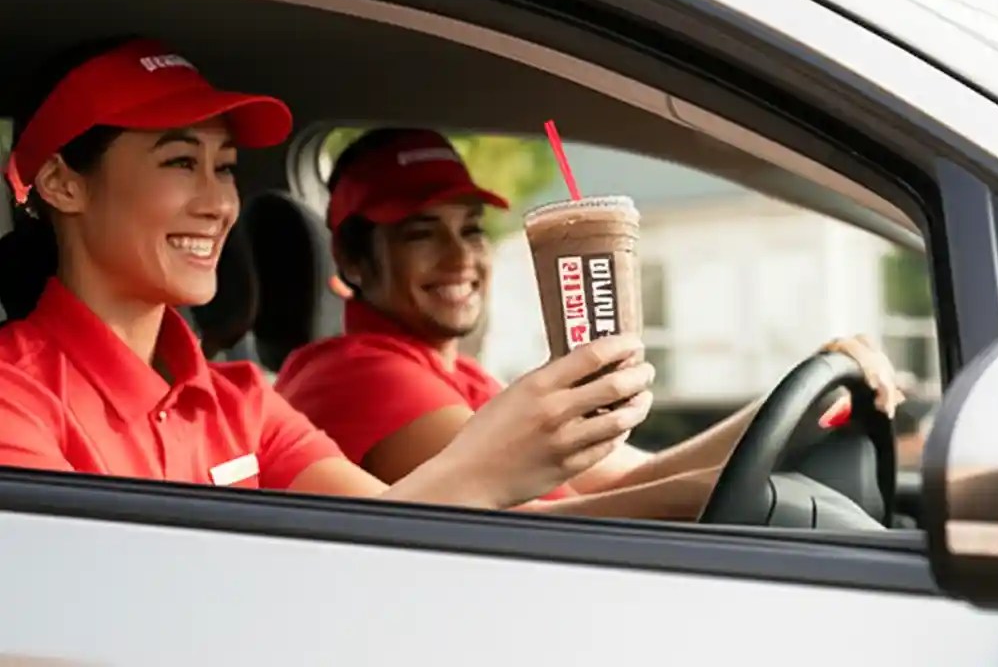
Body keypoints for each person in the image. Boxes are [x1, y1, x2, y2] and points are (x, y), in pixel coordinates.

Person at [0, 36, 655, 512]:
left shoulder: (242, 400)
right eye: (179, 163)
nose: (219, 203)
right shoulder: (15, 397)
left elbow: (381, 528)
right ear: (62, 183)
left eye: (224, 167)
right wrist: (481, 468)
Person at [273, 128, 906, 521]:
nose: (460, 257)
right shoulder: (356, 374)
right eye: (421, 234)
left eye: (470, 230)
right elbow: (548, 517)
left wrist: (796, 393)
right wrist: (709, 495)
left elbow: (622, 477)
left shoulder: (456, 373)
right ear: (353, 258)